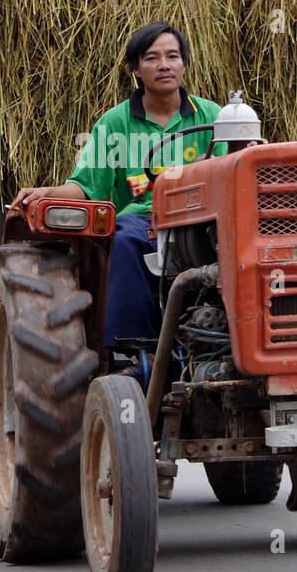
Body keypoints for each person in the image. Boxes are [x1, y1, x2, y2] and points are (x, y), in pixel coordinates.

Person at [11, 20, 227, 358]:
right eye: (152, 58)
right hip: (143, 223)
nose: (164, 65)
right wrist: (46, 192)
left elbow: (230, 177)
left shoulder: (212, 115)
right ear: (136, 70)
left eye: (173, 56)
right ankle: (136, 353)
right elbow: (85, 186)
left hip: (201, 222)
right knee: (125, 239)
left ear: (184, 63)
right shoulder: (115, 123)